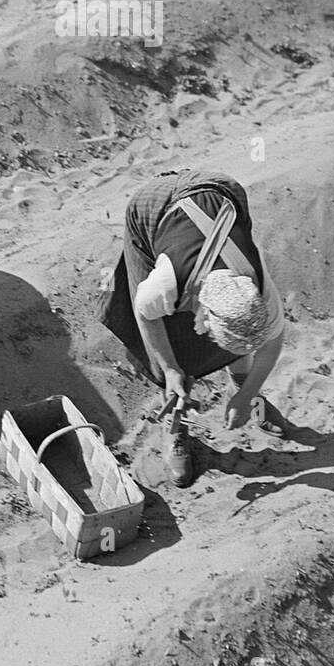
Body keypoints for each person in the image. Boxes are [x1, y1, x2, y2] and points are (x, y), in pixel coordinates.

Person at [100, 170, 285, 486]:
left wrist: (248, 394)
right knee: (170, 341)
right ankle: (175, 425)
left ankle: (238, 385)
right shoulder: (165, 283)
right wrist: (171, 370)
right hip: (153, 209)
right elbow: (145, 315)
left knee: (238, 330)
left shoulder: (256, 285)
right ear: (205, 313)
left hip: (222, 191)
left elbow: (271, 342)